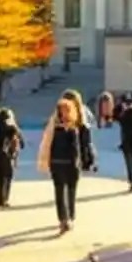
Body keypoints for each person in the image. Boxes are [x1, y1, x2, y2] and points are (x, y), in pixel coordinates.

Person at [37, 96, 97, 234]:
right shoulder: (58, 129)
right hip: (59, 164)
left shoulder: (71, 130)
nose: (63, 114)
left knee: (69, 191)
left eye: (65, 110)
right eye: (61, 111)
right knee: (60, 192)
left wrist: (78, 163)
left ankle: (69, 216)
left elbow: (75, 150)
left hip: (68, 165)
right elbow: (48, 146)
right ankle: (64, 219)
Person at [0, 107, 26, 207]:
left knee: (0, 177)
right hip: (9, 155)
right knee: (8, 176)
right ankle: (5, 198)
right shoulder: (12, 126)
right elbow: (21, 141)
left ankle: (0, 199)